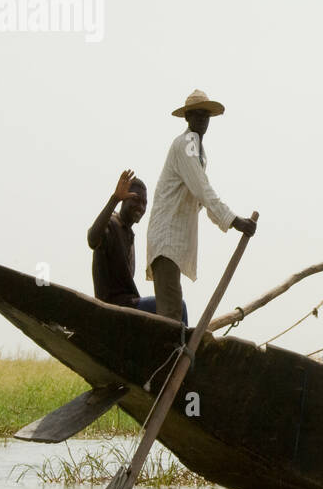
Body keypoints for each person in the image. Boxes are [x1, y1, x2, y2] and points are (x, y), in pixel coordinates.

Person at [145, 89, 257, 325]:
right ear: (187, 118)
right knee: (170, 316)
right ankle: (167, 360)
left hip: (173, 241)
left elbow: (201, 199)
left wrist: (229, 220)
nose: (202, 120)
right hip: (167, 238)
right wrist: (235, 221)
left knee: (172, 311)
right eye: (196, 115)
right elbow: (203, 191)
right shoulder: (186, 144)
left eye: (205, 115)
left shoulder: (197, 151)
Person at [87, 169, 189, 322]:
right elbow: (92, 239)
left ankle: (180, 342)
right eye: (136, 200)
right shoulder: (111, 224)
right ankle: (184, 344)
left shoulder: (129, 234)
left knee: (172, 306)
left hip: (130, 304)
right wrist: (114, 198)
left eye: (144, 203)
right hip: (115, 307)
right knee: (178, 306)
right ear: (124, 198)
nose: (140, 207)